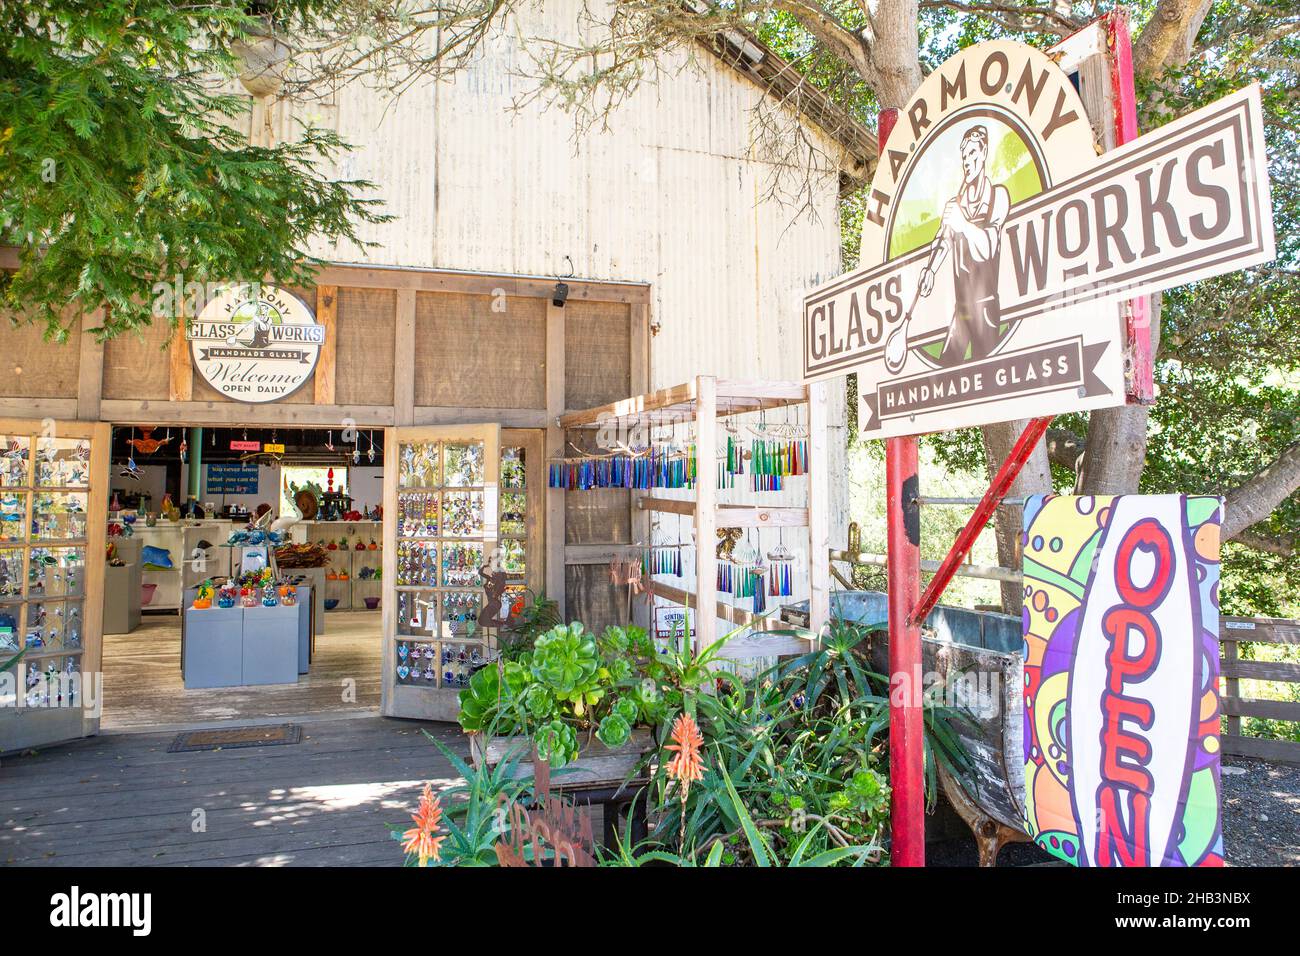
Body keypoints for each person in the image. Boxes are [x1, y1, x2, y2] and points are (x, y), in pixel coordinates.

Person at [916, 125, 1010, 365]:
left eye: (973, 154)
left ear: (985, 152)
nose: (967, 161)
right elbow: (942, 241)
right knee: (944, 372)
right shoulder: (955, 203)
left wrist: (963, 223)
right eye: (964, 156)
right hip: (961, 309)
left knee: (988, 377)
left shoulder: (997, 196)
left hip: (986, 309)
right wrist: (929, 270)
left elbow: (989, 247)